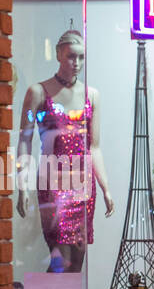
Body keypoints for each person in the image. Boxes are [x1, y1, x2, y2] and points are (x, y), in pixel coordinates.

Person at [16, 29, 115, 272]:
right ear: (59, 54)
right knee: (60, 259)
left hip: (83, 185)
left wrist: (106, 189)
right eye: (72, 56)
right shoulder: (38, 93)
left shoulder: (92, 95)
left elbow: (94, 146)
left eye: (82, 58)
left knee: (78, 259)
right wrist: (22, 185)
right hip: (53, 184)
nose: (77, 63)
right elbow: (24, 140)